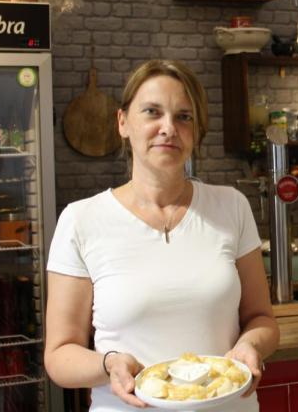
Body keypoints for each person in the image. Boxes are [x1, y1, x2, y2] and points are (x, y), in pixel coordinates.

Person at [44, 59, 278, 410]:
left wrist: (252, 346)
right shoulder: (81, 220)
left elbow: (262, 319)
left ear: (197, 131)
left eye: (184, 117)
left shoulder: (231, 206)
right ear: (123, 122)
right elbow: (60, 355)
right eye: (152, 112)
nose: (168, 128)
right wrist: (109, 364)